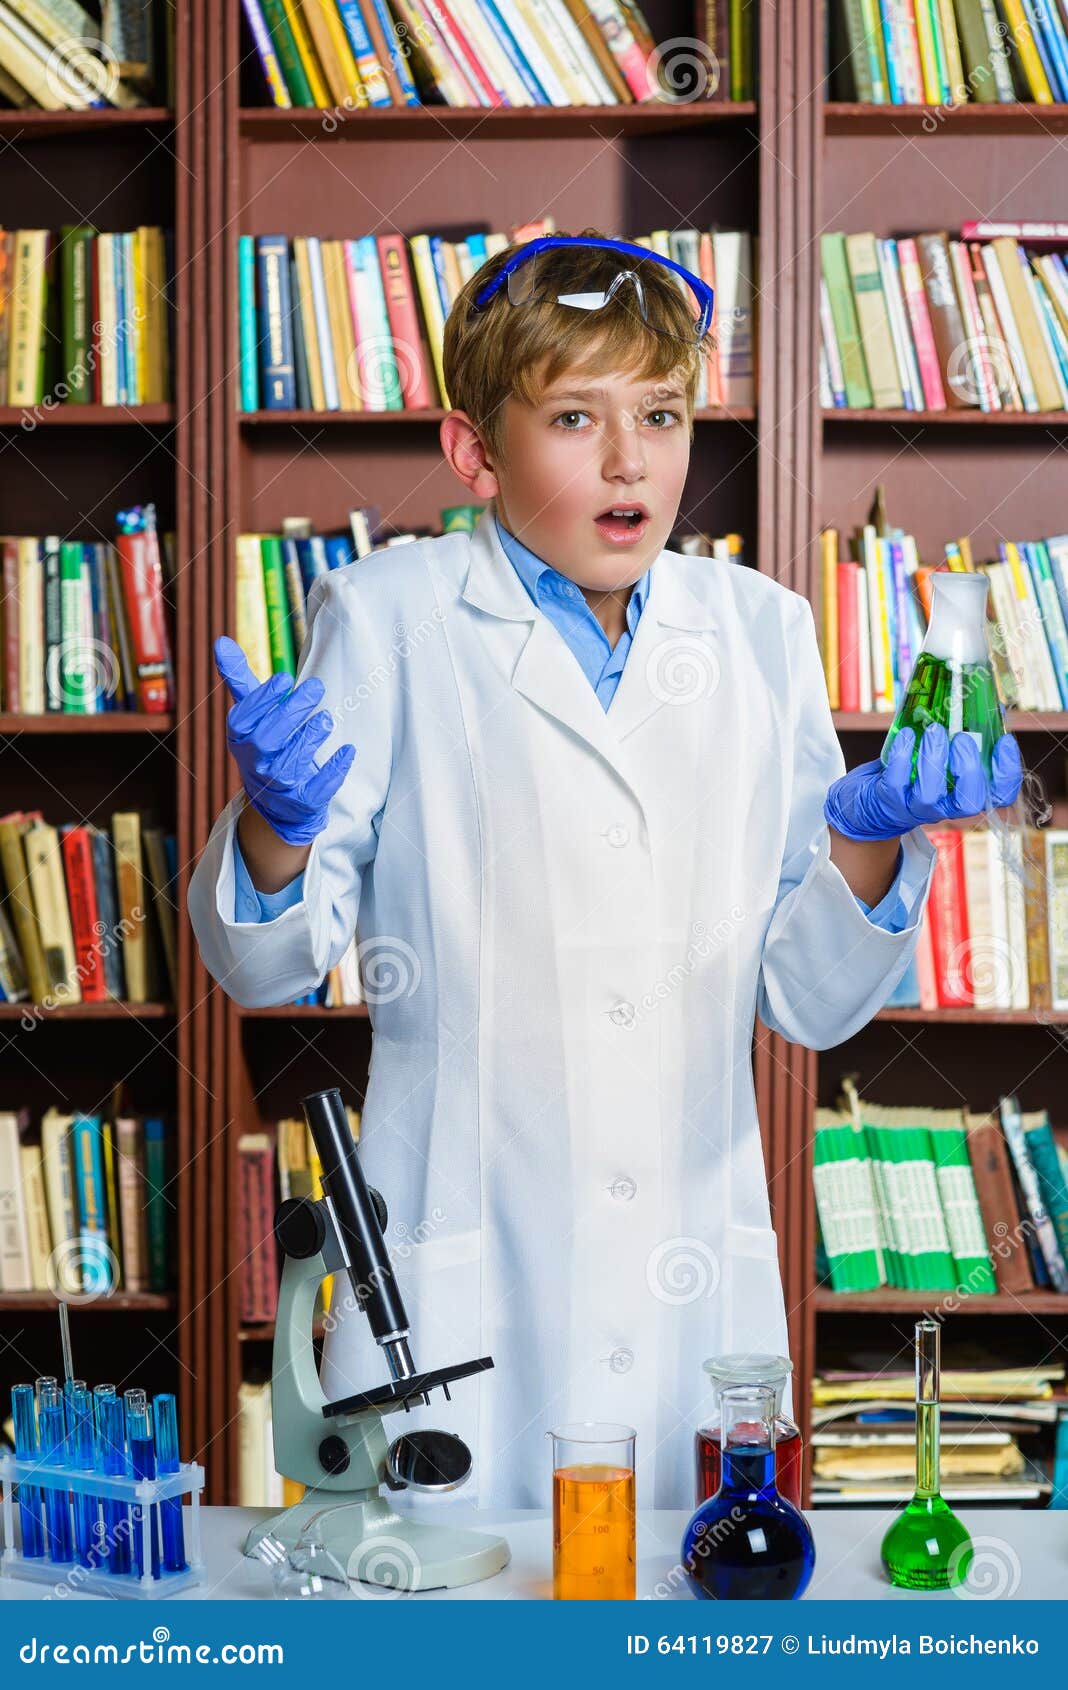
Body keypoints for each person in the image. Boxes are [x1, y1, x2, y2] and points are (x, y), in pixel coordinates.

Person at [187, 230, 1022, 1510]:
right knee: (451, 1615)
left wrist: (863, 834)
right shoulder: (390, 614)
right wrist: (277, 830)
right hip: (461, 1285)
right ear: (474, 451)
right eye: (575, 416)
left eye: (664, 413)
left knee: (689, 1612)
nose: (631, 460)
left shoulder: (760, 632)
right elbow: (263, 961)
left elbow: (808, 1003)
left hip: (694, 1278)